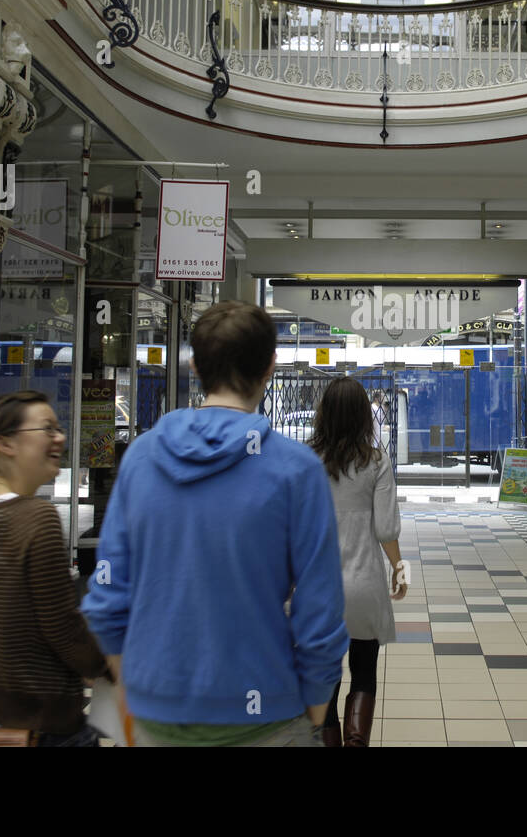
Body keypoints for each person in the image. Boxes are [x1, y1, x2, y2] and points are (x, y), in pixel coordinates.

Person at [81, 301, 348, 747]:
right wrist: (314, 708)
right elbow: (320, 611)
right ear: (270, 367)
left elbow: (108, 597)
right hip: (266, 710)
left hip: (155, 711)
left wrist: (133, 688)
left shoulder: (141, 459)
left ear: (194, 367)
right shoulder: (296, 469)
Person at [0, 389, 111, 746]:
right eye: (47, 429)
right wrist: (106, 667)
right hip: (44, 726)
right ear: (5, 444)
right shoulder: (35, 518)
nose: (60, 437)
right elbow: (63, 628)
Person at [309, 378, 406, 747]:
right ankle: (356, 742)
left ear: (324, 414)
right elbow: (385, 529)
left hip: (319, 591)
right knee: (364, 673)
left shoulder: (306, 460)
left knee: (327, 680)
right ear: (365, 416)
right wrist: (399, 569)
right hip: (365, 587)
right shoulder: (376, 461)